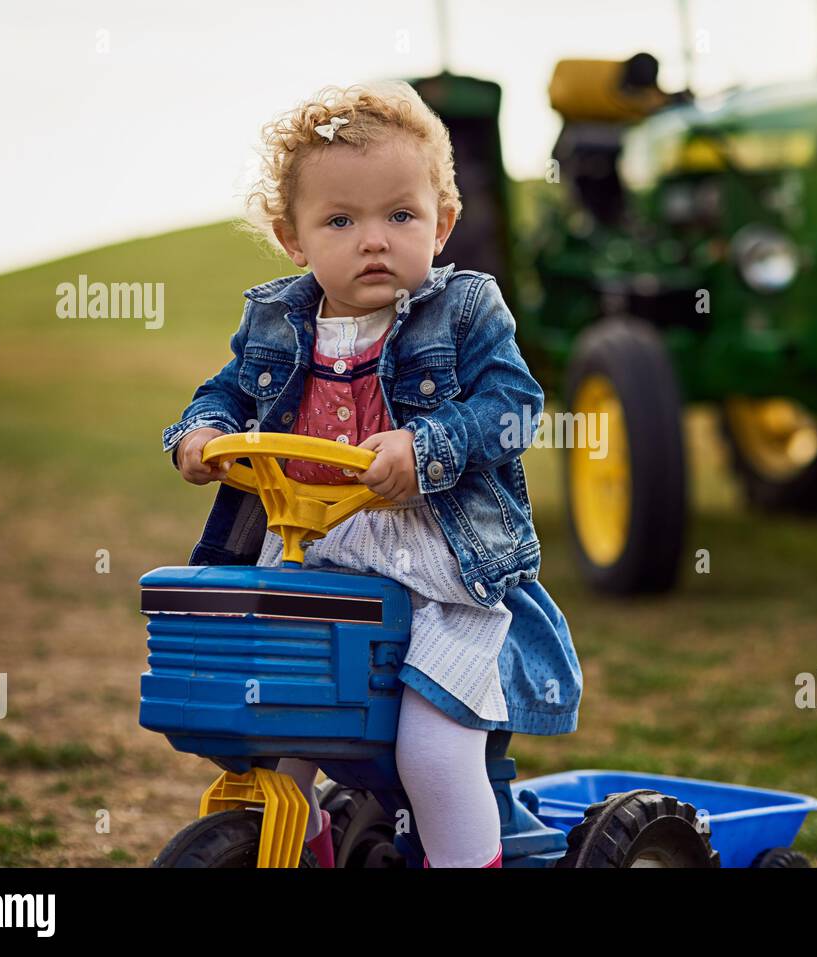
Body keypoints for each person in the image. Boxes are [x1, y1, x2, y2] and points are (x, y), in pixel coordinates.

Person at [161, 81, 581, 868]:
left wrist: (426, 448)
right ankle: (300, 847)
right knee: (277, 733)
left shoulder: (464, 309)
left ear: (441, 223)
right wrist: (201, 432)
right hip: (315, 558)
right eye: (341, 221)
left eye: (400, 215)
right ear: (295, 238)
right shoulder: (277, 318)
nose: (374, 240)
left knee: (432, 750)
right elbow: (226, 391)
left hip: (439, 571)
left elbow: (516, 405)